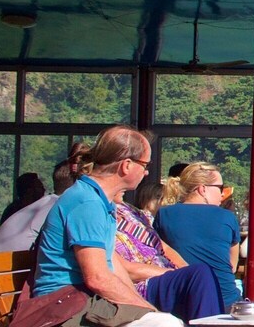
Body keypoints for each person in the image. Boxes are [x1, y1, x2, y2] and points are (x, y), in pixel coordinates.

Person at [26, 126, 181, 327]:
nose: (146, 172)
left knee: (164, 320)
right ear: (126, 165)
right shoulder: (87, 203)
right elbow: (97, 278)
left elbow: (113, 268)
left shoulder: (100, 202)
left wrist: (145, 309)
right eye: (145, 165)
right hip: (65, 307)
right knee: (165, 324)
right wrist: (149, 312)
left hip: (85, 301)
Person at [111, 187, 219, 321]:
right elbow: (125, 270)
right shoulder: (95, 214)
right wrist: (173, 273)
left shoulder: (130, 211)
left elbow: (164, 248)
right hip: (138, 286)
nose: (145, 172)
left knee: (204, 275)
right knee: (200, 274)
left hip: (162, 275)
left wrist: (184, 270)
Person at [155, 162, 242, 309]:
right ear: (202, 189)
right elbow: (232, 266)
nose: (222, 193)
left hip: (182, 299)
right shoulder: (227, 217)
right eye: (220, 187)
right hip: (225, 299)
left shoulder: (164, 214)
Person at [0, 145, 85, 253]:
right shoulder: (60, 208)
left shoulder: (45, 204)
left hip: (1, 265)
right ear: (77, 185)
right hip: (10, 268)